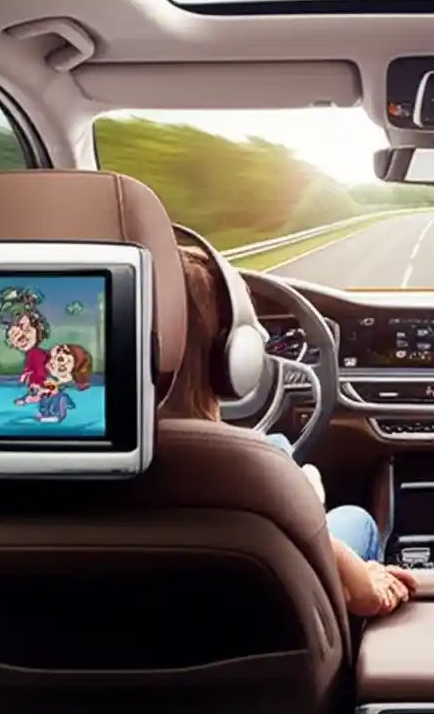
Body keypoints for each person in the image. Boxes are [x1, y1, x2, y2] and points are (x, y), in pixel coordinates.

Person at [163, 245, 417, 618]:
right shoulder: (256, 474)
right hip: (260, 637)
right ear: (237, 358)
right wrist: (306, 510)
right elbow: (363, 594)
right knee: (355, 518)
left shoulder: (72, 447)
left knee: (279, 447)